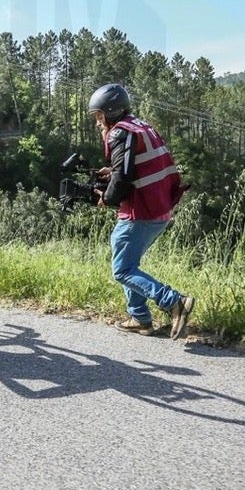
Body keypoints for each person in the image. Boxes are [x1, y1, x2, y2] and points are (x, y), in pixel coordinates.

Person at [89, 83, 195, 340]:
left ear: (111, 112)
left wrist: (108, 197)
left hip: (142, 210)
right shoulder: (139, 126)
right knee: (126, 260)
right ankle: (139, 318)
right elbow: (131, 167)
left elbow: (124, 178)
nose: (98, 123)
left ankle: (174, 302)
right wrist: (112, 174)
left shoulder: (119, 133)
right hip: (157, 207)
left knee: (122, 270)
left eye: (99, 116)